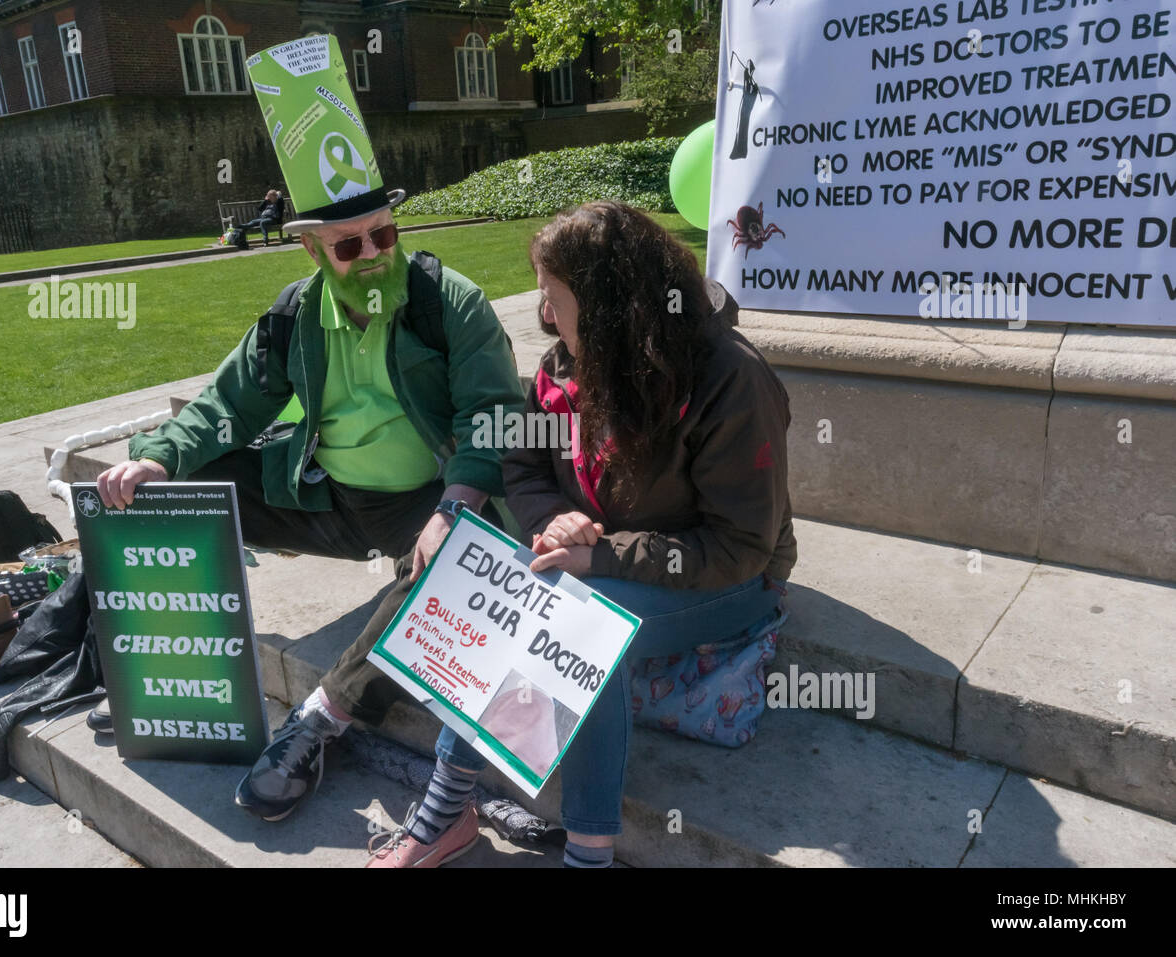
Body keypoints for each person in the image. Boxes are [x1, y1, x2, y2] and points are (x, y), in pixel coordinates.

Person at [92, 37, 525, 824]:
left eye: (384, 234)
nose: (372, 255)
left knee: (464, 559)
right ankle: (155, 667)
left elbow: (495, 415)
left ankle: (320, 718)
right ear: (310, 248)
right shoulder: (295, 313)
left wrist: (455, 500)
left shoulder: (448, 298)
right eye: (350, 243)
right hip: (325, 496)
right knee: (173, 482)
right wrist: (154, 459)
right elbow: (228, 404)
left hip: (424, 501)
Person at [366, 200, 797, 868]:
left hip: (734, 580)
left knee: (582, 633)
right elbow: (523, 463)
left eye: (554, 300)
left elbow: (741, 547)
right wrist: (548, 520)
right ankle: (445, 814)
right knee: (517, 605)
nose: (544, 317)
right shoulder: (566, 366)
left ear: (607, 308)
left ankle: (587, 853)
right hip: (609, 560)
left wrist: (601, 554)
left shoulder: (729, 379)